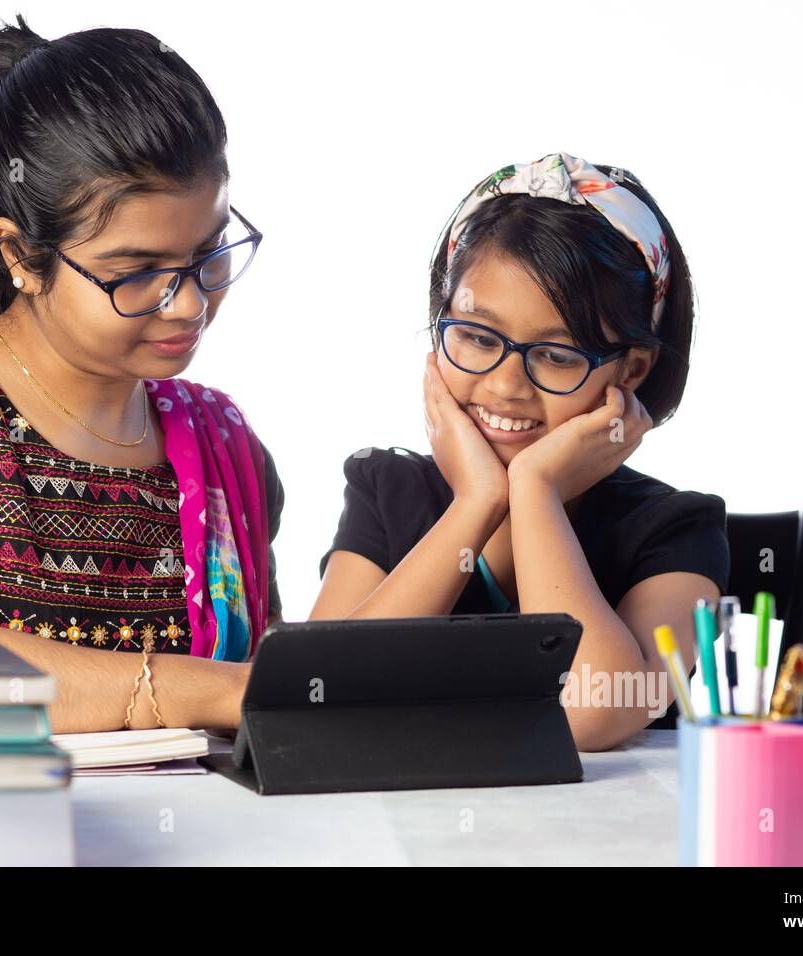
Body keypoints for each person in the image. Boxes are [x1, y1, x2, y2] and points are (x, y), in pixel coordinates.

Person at [0, 16, 282, 734]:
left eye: (210, 252)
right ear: (23, 257)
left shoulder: (221, 442)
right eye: (137, 273)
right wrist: (209, 692)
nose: (188, 302)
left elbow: (270, 693)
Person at [311, 152, 729, 751]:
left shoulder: (675, 531)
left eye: (557, 356)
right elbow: (316, 694)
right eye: (478, 338)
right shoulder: (386, 491)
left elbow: (593, 715)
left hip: (604, 840)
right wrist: (477, 502)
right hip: (417, 838)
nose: (507, 385)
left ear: (632, 369)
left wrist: (535, 490)